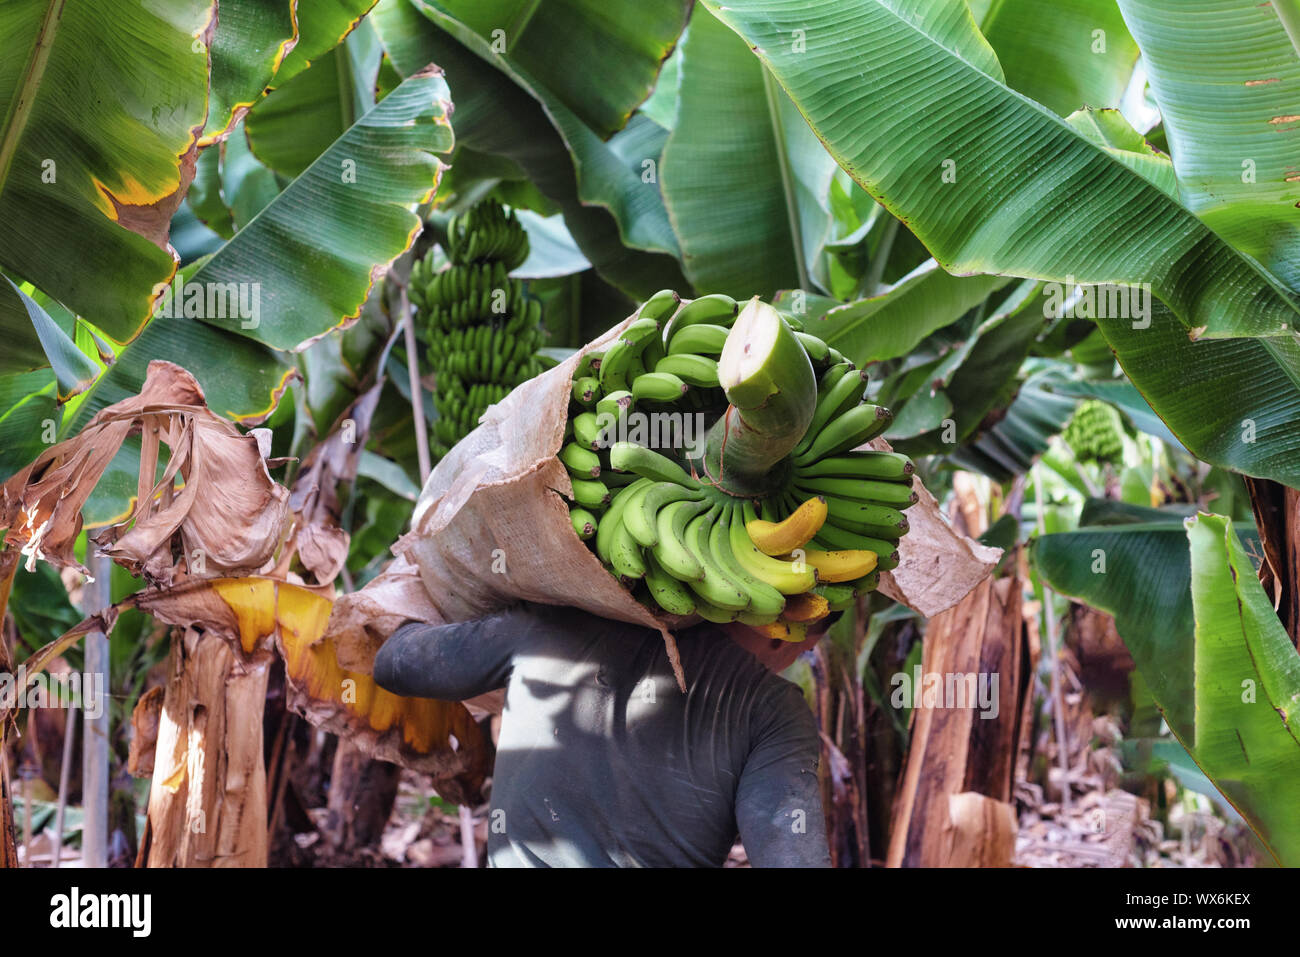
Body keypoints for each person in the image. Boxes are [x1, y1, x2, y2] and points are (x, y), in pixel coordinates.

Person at [374, 602, 832, 868]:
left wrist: (419, 606)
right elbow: (790, 856)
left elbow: (395, 664)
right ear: (784, 636)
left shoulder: (547, 625)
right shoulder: (773, 709)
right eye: (804, 651)